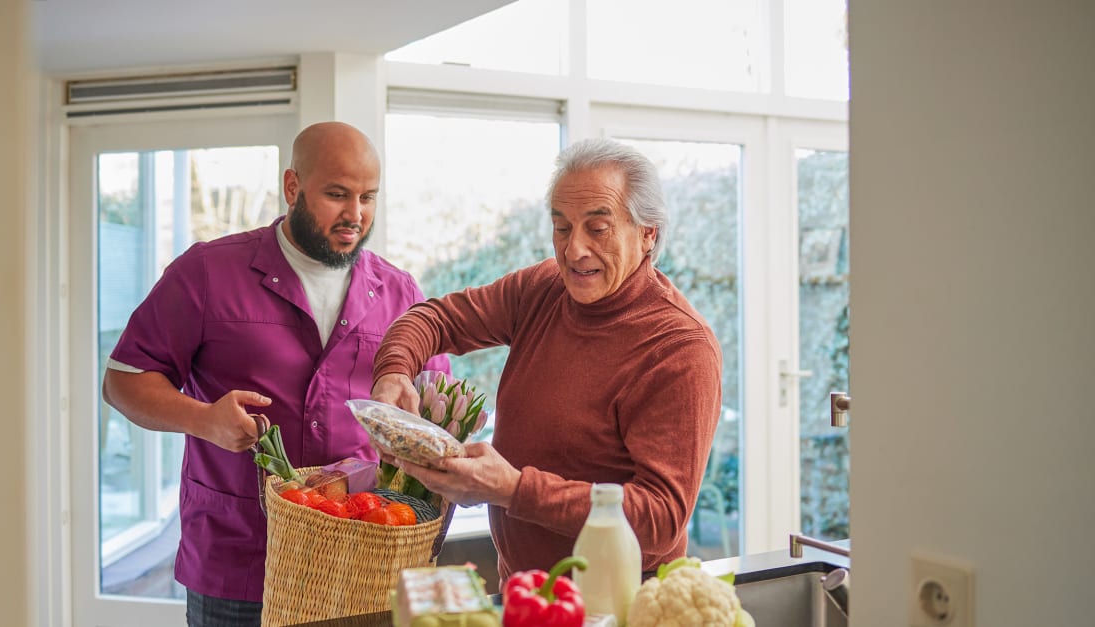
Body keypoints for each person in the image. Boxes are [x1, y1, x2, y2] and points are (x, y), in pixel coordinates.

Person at [102, 121, 449, 627]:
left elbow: (435, 411)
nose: (356, 215)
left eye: (368, 197)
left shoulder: (401, 294)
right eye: (337, 194)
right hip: (238, 561)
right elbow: (124, 380)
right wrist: (203, 420)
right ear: (292, 186)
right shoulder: (206, 272)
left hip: (359, 568)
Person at [370, 137, 723, 584]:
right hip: (524, 586)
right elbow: (436, 318)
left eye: (598, 228)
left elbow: (659, 519)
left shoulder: (679, 348)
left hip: (620, 599)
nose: (574, 250)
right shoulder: (543, 287)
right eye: (562, 227)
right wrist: (393, 371)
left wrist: (514, 490)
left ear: (647, 233)